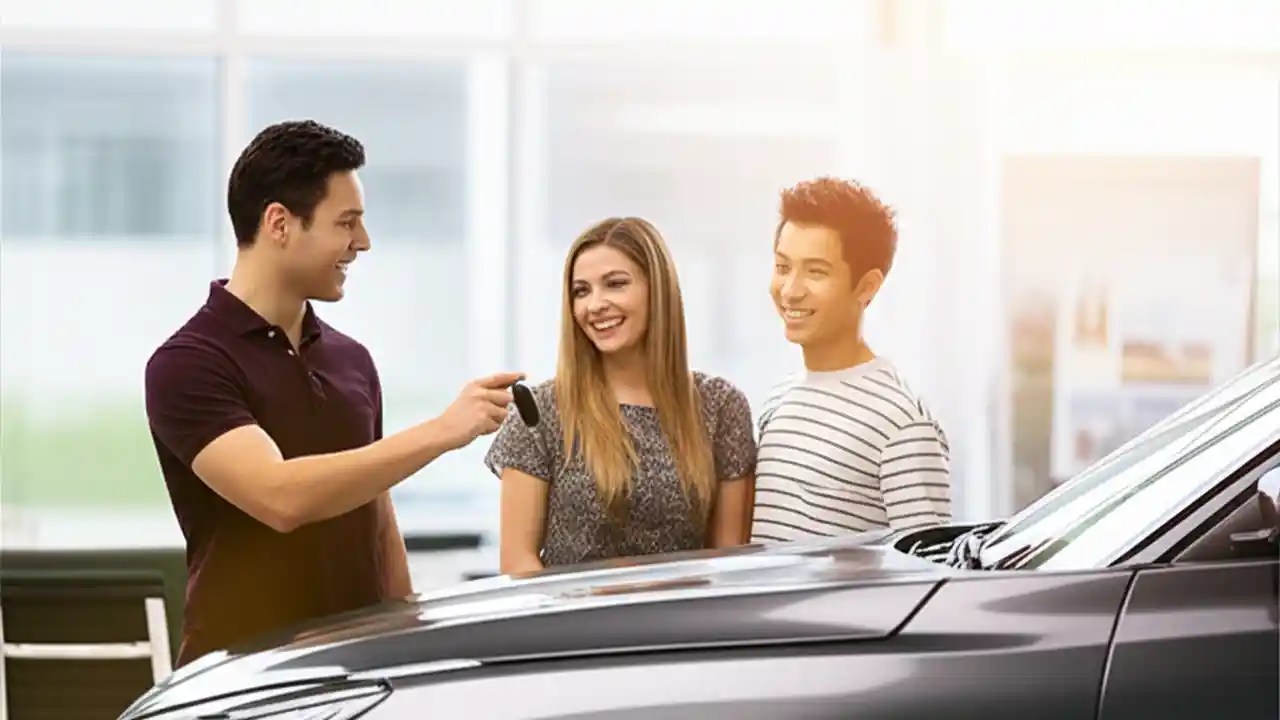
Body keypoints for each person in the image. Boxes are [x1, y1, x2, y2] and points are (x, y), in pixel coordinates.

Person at [144, 119, 521, 666]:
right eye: (347, 223)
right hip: (242, 679)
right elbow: (280, 497)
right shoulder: (188, 364)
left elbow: (377, 510)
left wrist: (410, 629)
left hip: (359, 671)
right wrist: (442, 432)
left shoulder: (353, 360)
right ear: (279, 223)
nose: (362, 243)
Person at [484, 217, 757, 575]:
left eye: (615, 284)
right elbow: (519, 565)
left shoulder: (721, 407)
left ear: (656, 290)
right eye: (581, 291)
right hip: (573, 628)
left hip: (687, 628)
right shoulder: (539, 412)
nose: (594, 304)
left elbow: (730, 564)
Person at [749, 177, 951, 543]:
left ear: (867, 286)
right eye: (782, 267)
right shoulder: (777, 400)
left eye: (816, 272)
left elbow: (927, 577)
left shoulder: (902, 422)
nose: (791, 291)